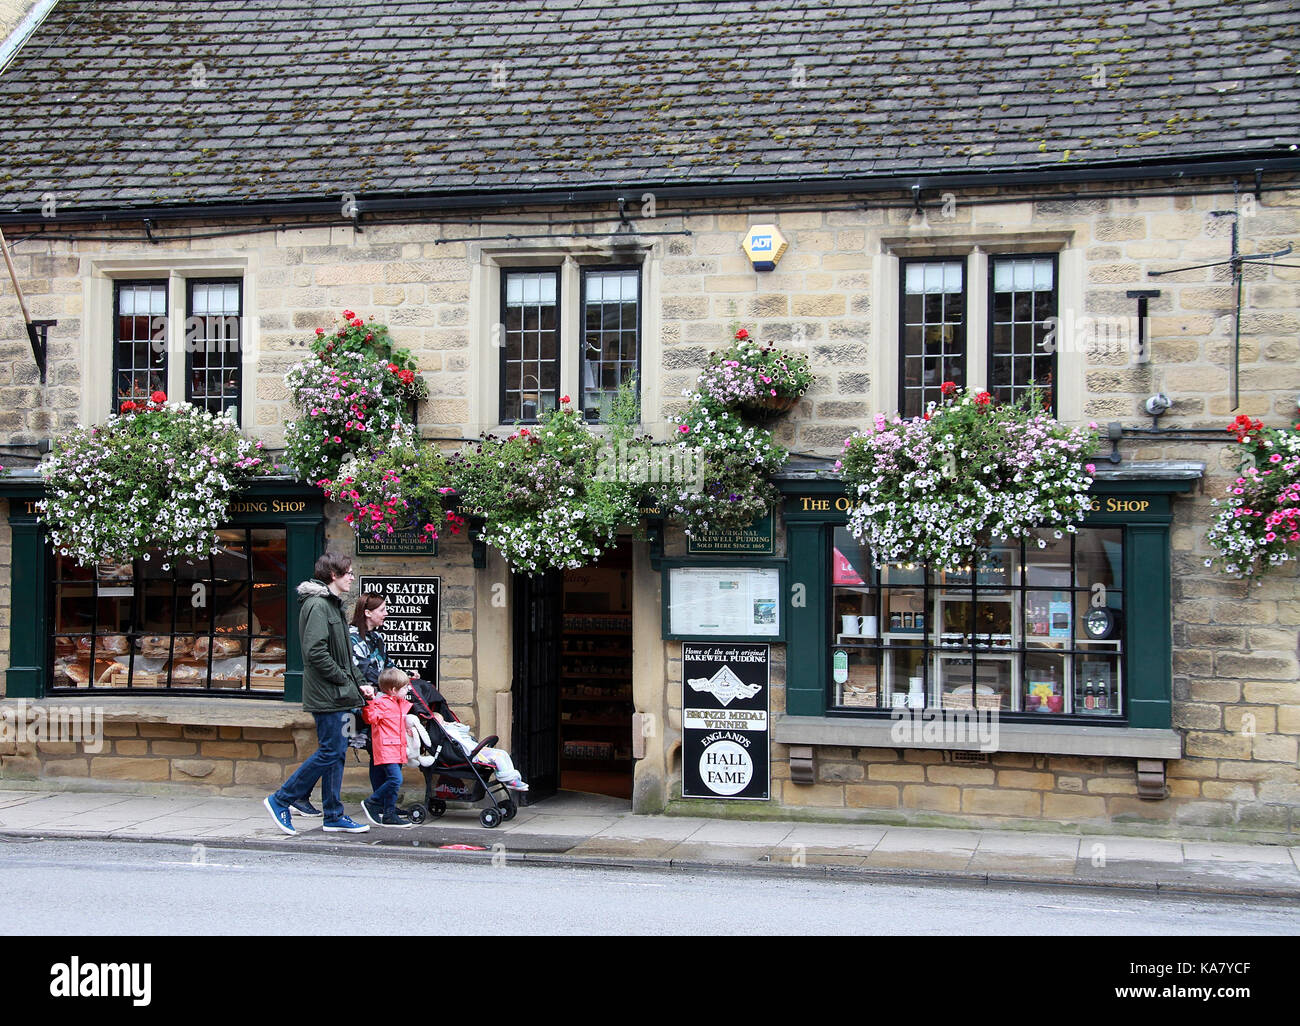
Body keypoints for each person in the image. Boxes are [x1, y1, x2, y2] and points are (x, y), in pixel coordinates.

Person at [263, 552, 372, 835]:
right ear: (333, 575)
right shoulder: (316, 605)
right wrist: (344, 682)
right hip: (328, 695)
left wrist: (359, 682)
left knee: (336, 754)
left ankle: (334, 815)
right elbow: (315, 653)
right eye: (347, 572)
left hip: (341, 694)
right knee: (330, 750)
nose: (351, 577)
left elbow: (346, 656)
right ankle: (281, 799)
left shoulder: (333, 605)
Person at [360, 667, 417, 828]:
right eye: (405, 687)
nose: (408, 689)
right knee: (395, 779)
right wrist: (369, 701)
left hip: (397, 748)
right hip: (387, 749)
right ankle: (372, 802)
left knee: (394, 782)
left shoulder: (398, 703)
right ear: (393, 690)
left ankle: (389, 814)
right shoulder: (381, 703)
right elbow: (370, 718)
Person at [429, 708, 529, 792]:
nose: (446, 723)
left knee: (503, 753)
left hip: (476, 750)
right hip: (471, 755)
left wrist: (451, 724)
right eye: (443, 722)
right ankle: (510, 780)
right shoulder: (447, 733)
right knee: (497, 758)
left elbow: (464, 730)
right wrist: (446, 726)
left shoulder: (453, 729)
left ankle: (512, 778)